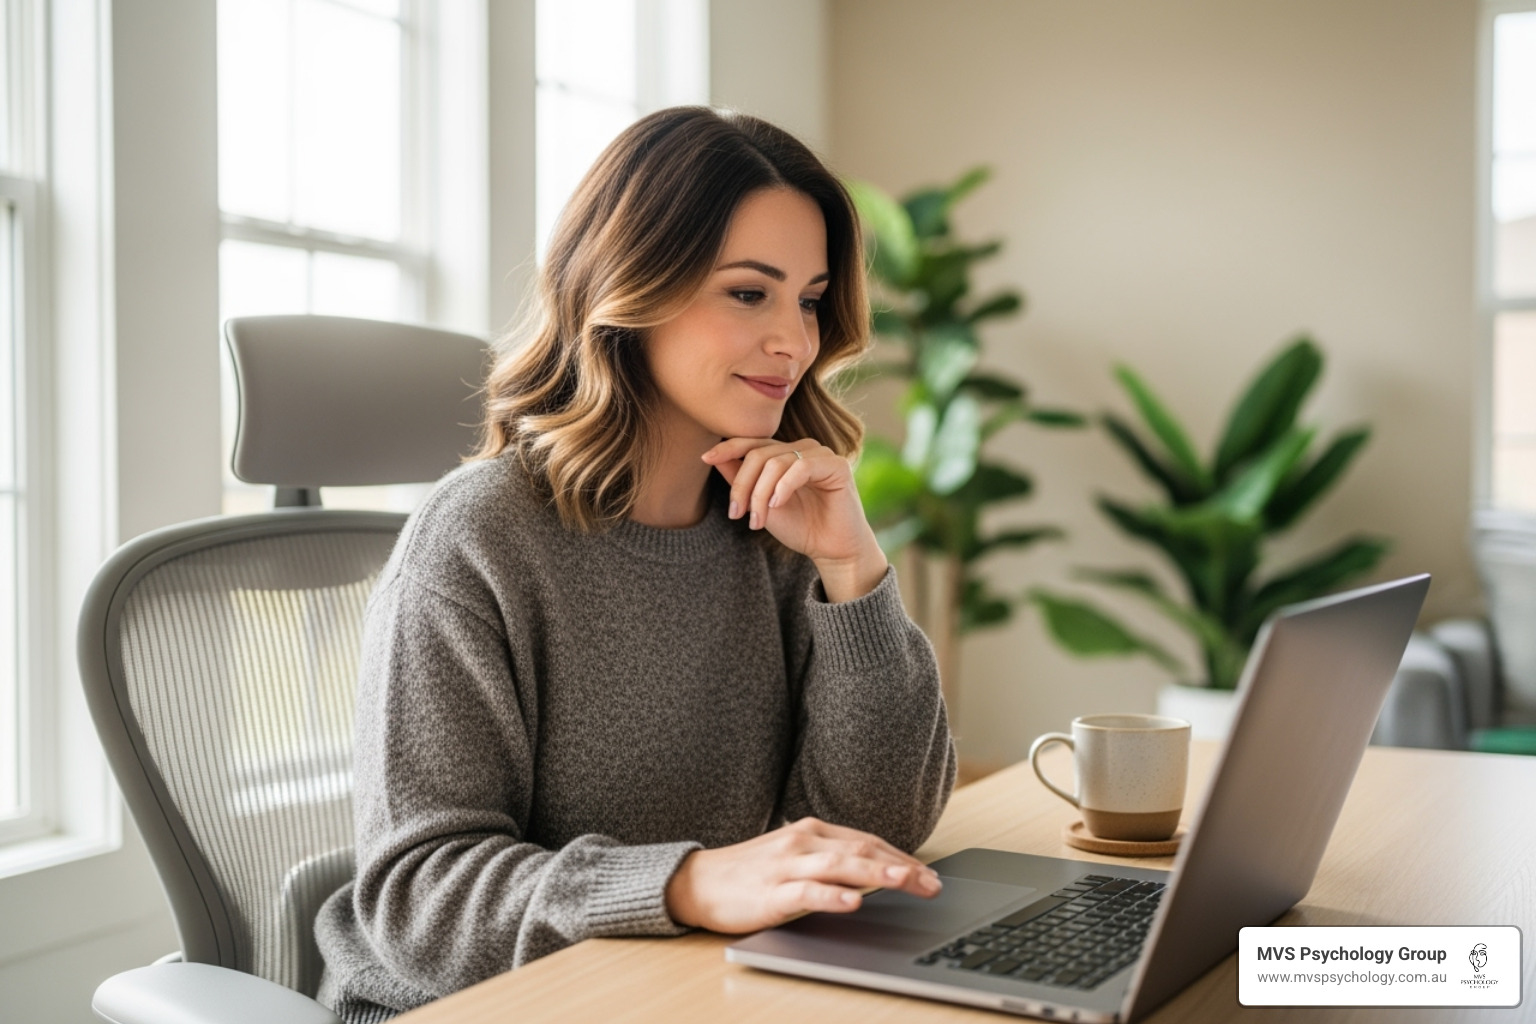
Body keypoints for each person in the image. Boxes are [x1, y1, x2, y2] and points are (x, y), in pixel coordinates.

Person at [314, 106, 957, 1023]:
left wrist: (853, 572)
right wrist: (687, 884)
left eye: (809, 300)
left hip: (679, 990)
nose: (795, 341)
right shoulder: (476, 539)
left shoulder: (775, 523)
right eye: (749, 293)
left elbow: (875, 833)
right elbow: (419, 899)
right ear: (631, 288)